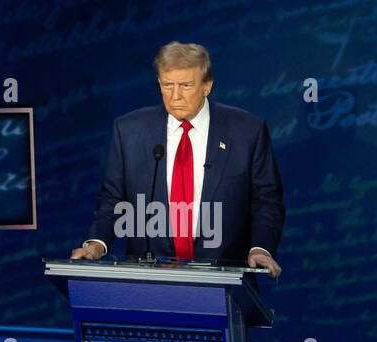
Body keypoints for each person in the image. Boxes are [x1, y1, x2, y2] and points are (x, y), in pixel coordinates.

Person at [71, 41, 284, 277]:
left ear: (207, 86)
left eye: (185, 85)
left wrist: (261, 247)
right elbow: (112, 198)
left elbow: (267, 200)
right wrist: (96, 243)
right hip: (149, 280)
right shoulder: (129, 131)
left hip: (226, 277)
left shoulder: (247, 131)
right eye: (167, 85)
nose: (175, 96)